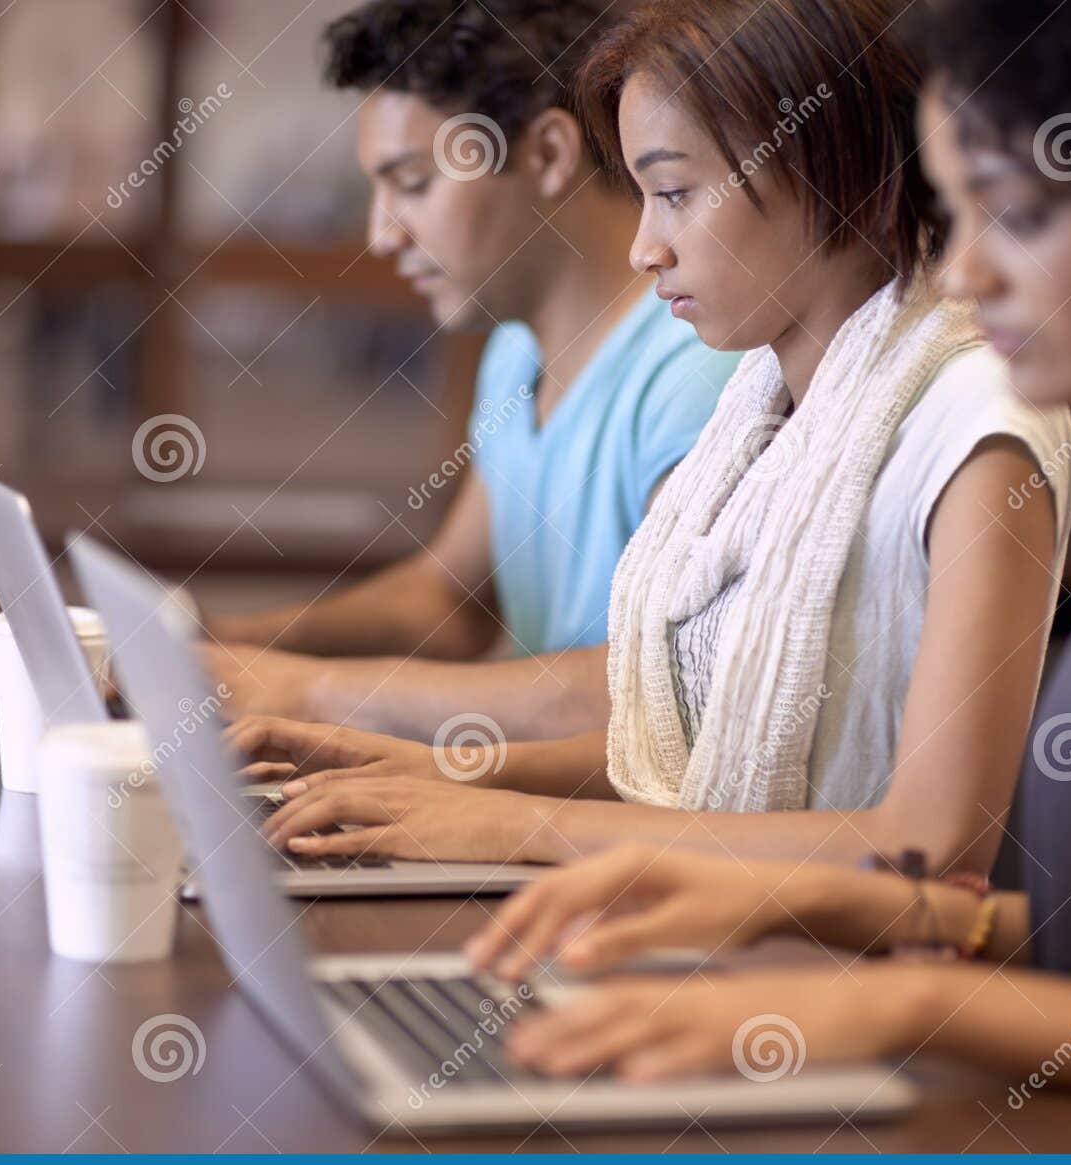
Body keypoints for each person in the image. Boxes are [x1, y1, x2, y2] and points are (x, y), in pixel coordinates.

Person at [461, 0, 1071, 1149]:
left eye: (1011, 213)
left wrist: (917, 995)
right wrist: (826, 900)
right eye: (953, 210)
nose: (962, 271)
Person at [234, 0, 1071, 878]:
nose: (644, 248)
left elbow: (931, 852)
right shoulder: (765, 412)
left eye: (673, 193)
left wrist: (516, 823)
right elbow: (680, 754)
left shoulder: (975, 423)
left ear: (833, 168)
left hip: (826, 987)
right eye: (644, 196)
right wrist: (434, 773)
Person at [205, 0, 739, 741]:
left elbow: (664, 692)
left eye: (414, 182)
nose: (382, 234)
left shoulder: (697, 372)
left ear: (548, 155)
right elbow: (452, 601)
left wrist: (312, 693)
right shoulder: (515, 348)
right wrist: (224, 639)